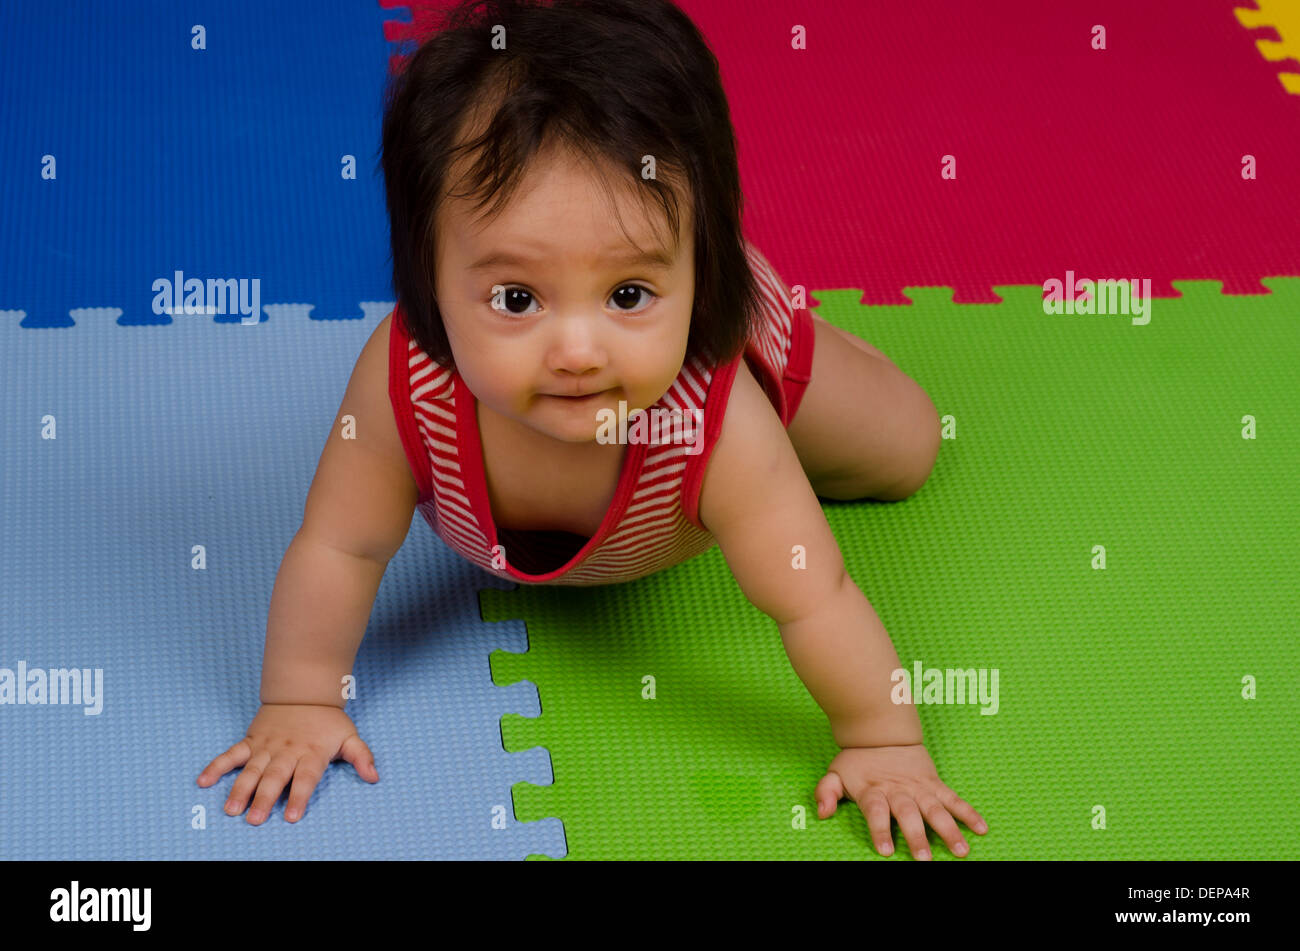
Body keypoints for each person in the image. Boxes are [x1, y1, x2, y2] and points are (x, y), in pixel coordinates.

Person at [198, 0, 986, 860]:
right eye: (516, 299)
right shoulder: (403, 385)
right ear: (427, 280)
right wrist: (302, 699)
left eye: (626, 293)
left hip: (738, 354)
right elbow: (339, 548)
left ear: (698, 265)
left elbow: (813, 595)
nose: (578, 351)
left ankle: (781, 323)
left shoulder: (717, 424)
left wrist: (882, 739)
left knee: (908, 447)